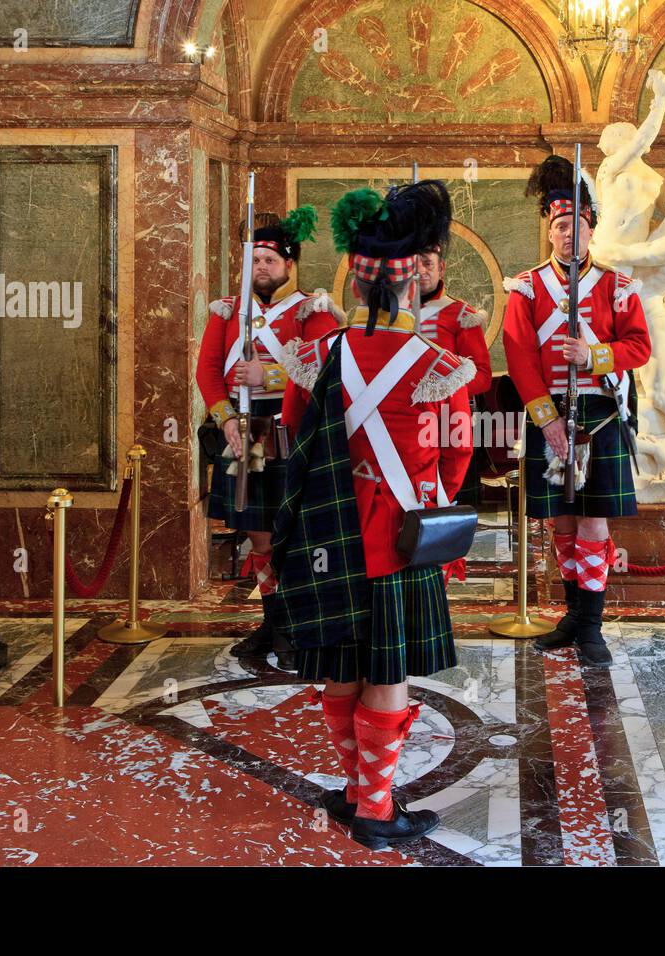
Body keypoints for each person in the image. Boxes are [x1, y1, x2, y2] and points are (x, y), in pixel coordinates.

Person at [273, 180, 474, 849]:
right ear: (411, 285)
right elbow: (456, 457)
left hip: (330, 533)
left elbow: (294, 441)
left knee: (343, 665)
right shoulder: (441, 364)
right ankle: (377, 810)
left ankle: (358, 789)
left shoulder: (319, 356)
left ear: (357, 287)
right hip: (399, 539)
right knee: (388, 672)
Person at [502, 155, 651, 667]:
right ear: (549, 231)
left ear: (591, 230)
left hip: (601, 414)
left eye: (578, 225)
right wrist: (546, 421)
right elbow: (519, 358)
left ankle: (591, 626)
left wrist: (596, 355)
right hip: (549, 415)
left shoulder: (617, 286)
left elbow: (640, 347)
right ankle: (571, 613)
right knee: (561, 523)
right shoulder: (525, 288)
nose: (569, 235)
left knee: (593, 523)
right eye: (560, 225)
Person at [194, 206, 341, 667]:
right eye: (255, 261)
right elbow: (206, 372)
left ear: (289, 265)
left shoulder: (309, 311)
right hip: (243, 433)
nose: (261, 269)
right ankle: (273, 620)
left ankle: (299, 623)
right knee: (258, 537)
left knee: (292, 534)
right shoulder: (227, 312)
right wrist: (226, 420)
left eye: (270, 261)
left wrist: (270, 375)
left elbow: (323, 371)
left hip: (292, 433)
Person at [415, 243, 492, 505]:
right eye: (414, 263)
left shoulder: (461, 315)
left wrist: (443, 389)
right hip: (405, 423)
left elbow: (482, 377)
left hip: (448, 423)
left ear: (442, 268)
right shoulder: (392, 314)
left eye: (428, 263)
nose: (421, 270)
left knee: (450, 510)